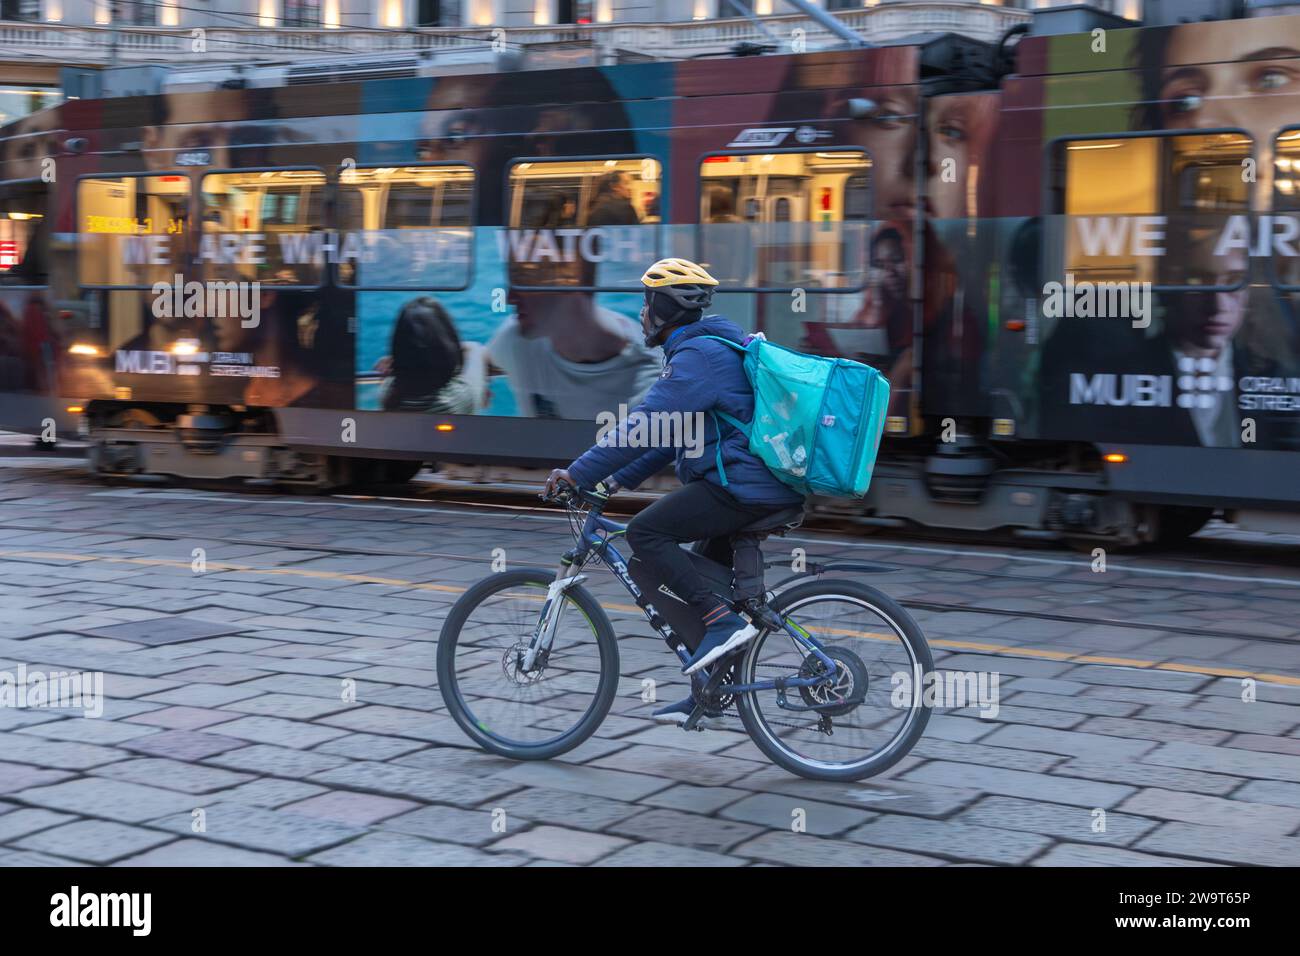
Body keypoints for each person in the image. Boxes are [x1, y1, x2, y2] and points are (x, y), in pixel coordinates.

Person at [543, 258, 805, 725]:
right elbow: (665, 438)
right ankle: (709, 690)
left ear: (663, 310)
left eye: (646, 305)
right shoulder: (707, 349)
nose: (641, 314)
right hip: (751, 485)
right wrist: (610, 483)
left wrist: (577, 474)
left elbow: (641, 426)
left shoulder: (697, 358)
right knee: (700, 583)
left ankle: (721, 625)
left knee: (646, 534)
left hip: (741, 488)